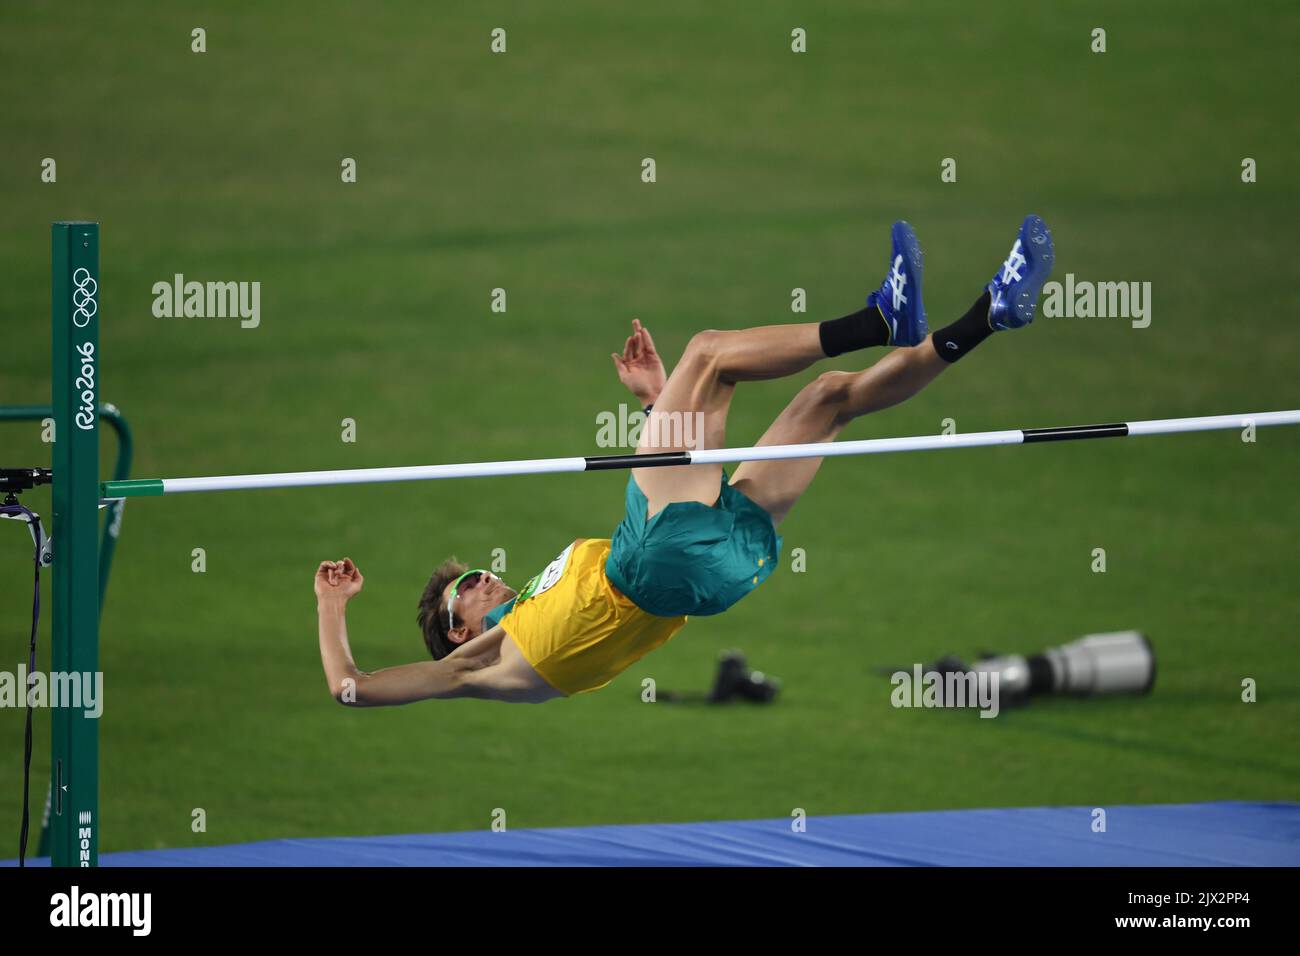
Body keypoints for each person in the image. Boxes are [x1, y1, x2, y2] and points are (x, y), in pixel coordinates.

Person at [315, 216, 1055, 705]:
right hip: (653, 564)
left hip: (717, 570)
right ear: (456, 630)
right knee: (708, 355)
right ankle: (878, 318)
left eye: (476, 571)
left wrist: (655, 406)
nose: (484, 577)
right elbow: (348, 688)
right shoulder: (479, 662)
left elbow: (679, 486)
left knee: (829, 399)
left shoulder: (536, 603)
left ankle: (989, 313)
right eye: (468, 588)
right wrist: (331, 605)